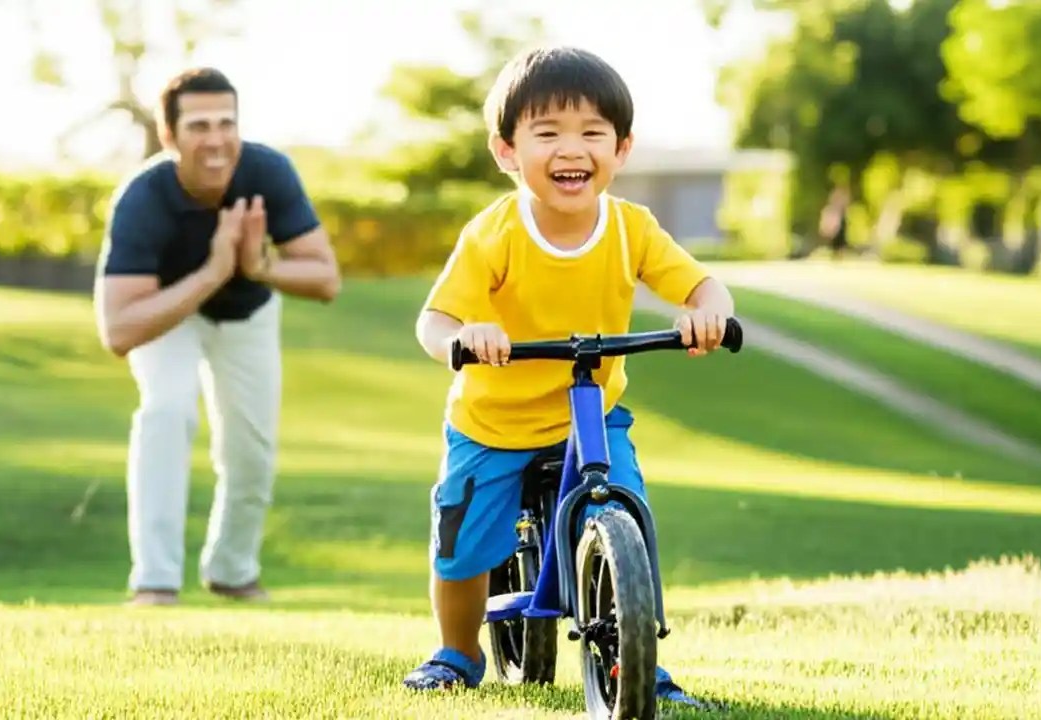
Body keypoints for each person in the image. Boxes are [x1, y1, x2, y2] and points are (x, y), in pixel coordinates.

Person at [402, 46, 735, 709]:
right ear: (506, 152)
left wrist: (708, 314)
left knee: (629, 514)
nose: (571, 149)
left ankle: (640, 662)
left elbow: (701, 285)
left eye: (592, 132)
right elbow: (434, 321)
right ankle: (457, 651)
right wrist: (466, 338)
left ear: (622, 147)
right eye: (547, 133)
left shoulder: (630, 227)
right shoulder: (493, 233)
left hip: (591, 407)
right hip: (495, 419)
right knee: (461, 543)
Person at [92, 67, 341, 607]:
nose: (216, 139)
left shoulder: (268, 171)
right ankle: (154, 583)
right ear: (170, 136)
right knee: (167, 411)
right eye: (199, 125)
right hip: (169, 317)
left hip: (247, 316)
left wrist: (257, 266)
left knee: (250, 450)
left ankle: (232, 570)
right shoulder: (142, 198)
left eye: (226, 123)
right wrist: (211, 271)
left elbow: (325, 279)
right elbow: (118, 330)